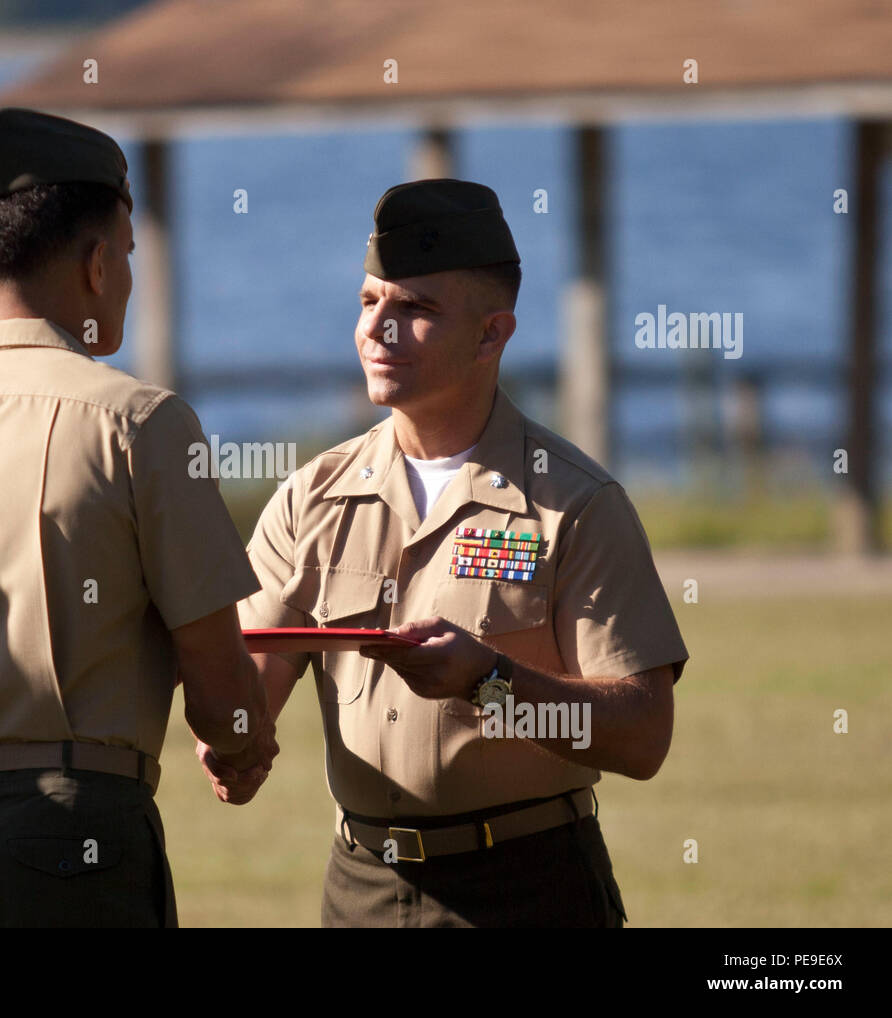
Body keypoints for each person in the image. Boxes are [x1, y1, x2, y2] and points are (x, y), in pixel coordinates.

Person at [197, 179, 688, 927]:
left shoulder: (576, 505)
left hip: (527, 889)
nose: (378, 332)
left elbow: (643, 735)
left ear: (492, 335)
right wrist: (234, 739)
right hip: (360, 888)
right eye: (369, 303)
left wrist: (487, 684)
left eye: (415, 310)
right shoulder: (311, 498)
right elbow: (249, 685)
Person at [0, 107, 274, 928]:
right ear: (98, 263)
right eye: (130, 256)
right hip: (82, 841)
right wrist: (245, 741)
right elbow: (222, 695)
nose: (131, 281)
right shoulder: (143, 424)